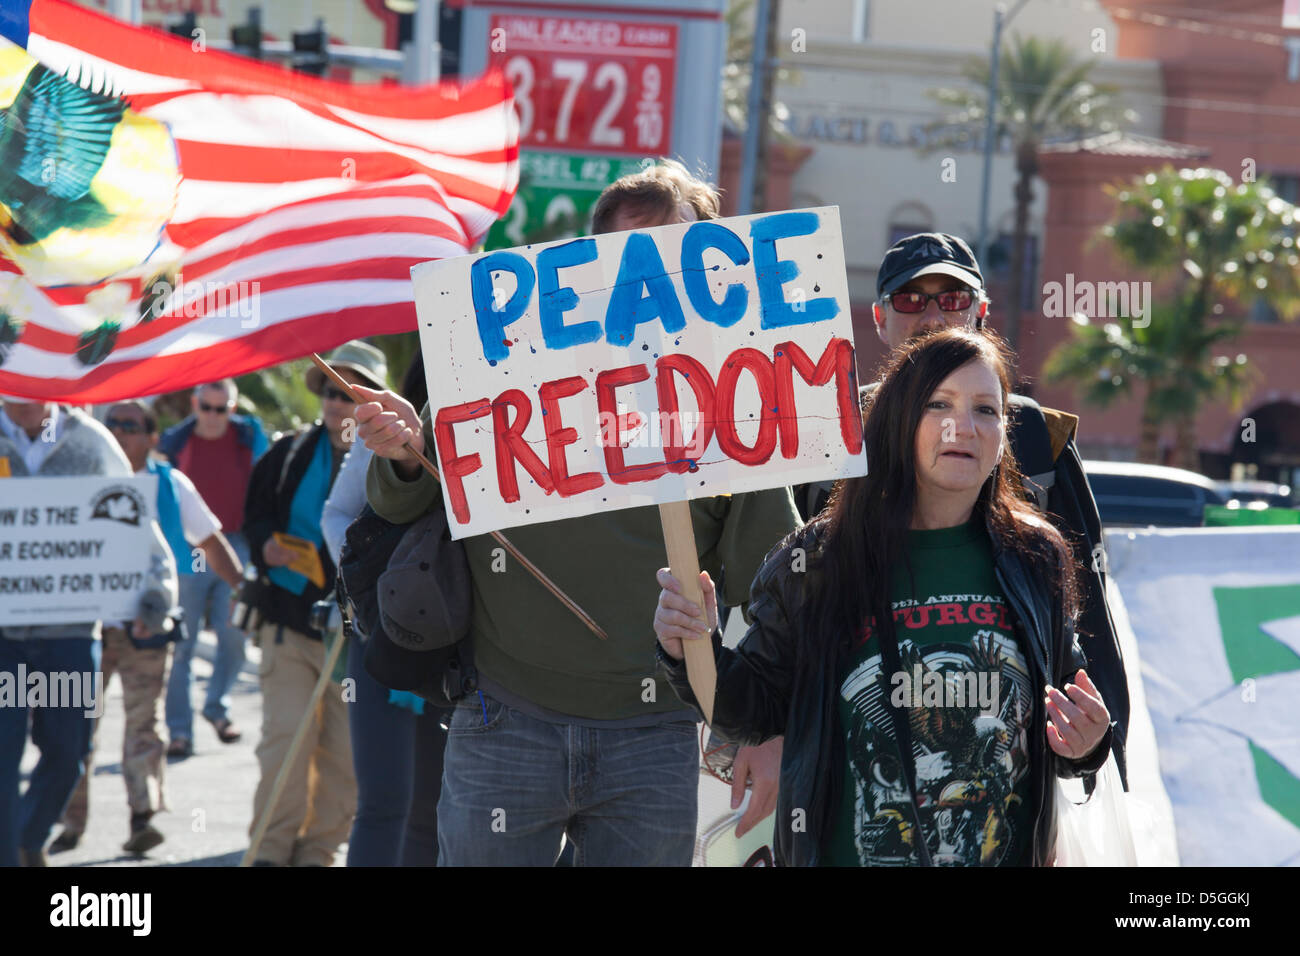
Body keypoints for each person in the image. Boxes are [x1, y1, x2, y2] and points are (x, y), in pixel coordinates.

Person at [356, 160, 799, 866]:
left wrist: (769, 727)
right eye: (628, 260)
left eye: (674, 258)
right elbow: (402, 494)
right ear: (586, 267)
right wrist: (404, 452)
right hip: (503, 717)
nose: (651, 283)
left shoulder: (732, 401)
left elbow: (781, 584)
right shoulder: (499, 366)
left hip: (654, 734)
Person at [654, 328, 1115, 866]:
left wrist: (1088, 743)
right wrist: (691, 647)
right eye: (938, 404)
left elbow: (1061, 719)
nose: (962, 426)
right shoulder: (819, 561)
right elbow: (747, 711)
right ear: (898, 421)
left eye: (986, 410)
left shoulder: (1036, 557)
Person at [795, 232, 1129, 785]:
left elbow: (1085, 603)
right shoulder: (831, 433)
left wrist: (1098, 740)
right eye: (910, 299)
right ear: (879, 317)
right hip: (859, 750)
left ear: (981, 313)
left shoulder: (1033, 435)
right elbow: (793, 608)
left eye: (952, 298)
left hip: (1013, 754)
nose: (932, 315)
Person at [51, 400, 244, 856]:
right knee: (76, 724)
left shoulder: (170, 486)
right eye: (112, 424)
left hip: (147, 628)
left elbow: (210, 541)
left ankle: (142, 818)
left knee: (143, 725)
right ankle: (68, 821)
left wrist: (245, 590)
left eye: (131, 426)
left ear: (153, 437)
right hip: (85, 627)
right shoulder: (81, 479)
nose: (120, 432)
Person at [0, 397, 177, 867]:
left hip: (69, 633)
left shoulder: (89, 440)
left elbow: (138, 521)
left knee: (67, 753)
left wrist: (155, 594)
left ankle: (28, 837)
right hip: (3, 637)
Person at [242, 342, 387, 867]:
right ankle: (268, 853)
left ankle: (318, 855)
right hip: (290, 626)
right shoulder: (286, 454)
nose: (337, 403)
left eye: (350, 392)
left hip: (358, 641)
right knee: (285, 742)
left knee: (345, 761)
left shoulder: (395, 462)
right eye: (331, 390)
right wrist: (265, 545)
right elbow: (254, 514)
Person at [321, 349, 446, 867]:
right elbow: (336, 515)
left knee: (432, 809)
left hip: (455, 647)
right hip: (380, 642)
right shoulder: (383, 427)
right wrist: (371, 590)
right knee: (383, 803)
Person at [158, 379, 268, 756]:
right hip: (188, 549)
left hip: (234, 545)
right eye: (206, 407)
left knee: (234, 634)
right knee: (182, 645)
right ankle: (179, 731)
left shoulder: (250, 441)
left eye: (221, 409)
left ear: (232, 409)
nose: (212, 416)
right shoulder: (177, 442)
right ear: (195, 403)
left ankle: (216, 707)